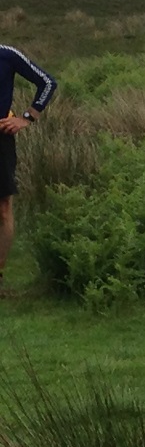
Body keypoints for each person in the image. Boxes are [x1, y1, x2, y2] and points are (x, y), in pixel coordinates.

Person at [0, 43, 57, 294]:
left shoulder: (7, 55)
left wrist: (27, 117)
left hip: (0, 139)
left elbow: (47, 82)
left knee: (2, 209)